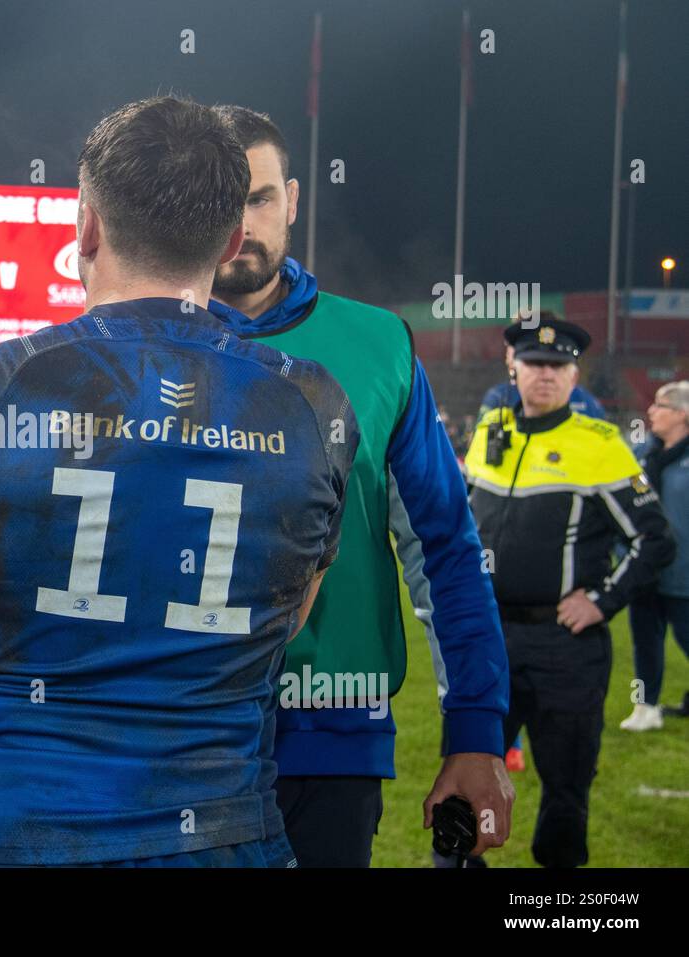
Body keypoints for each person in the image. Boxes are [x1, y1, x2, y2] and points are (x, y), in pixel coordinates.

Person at [0, 96, 359, 868]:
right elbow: (282, 622)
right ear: (228, 241)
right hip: (226, 837)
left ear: (85, 225)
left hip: (23, 837)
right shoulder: (313, 405)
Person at [206, 107, 512, 867]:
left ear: (295, 201)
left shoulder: (377, 345)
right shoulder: (130, 338)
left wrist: (475, 729)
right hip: (168, 733)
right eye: (218, 198)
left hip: (330, 735)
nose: (240, 224)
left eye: (261, 197)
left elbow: (444, 545)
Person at [465, 316, 673, 867]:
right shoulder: (490, 432)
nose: (547, 375)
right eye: (536, 364)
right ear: (514, 367)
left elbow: (654, 541)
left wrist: (601, 601)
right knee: (466, 774)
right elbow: (462, 524)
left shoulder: (601, 443)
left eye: (559, 366)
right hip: (491, 643)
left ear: (575, 373)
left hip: (566, 649)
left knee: (566, 786)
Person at [622, 381, 689, 730]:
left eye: (661, 406)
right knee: (644, 640)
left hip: (685, 570)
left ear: (682, 414)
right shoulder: (643, 454)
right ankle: (645, 707)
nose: (651, 411)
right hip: (646, 568)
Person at [480, 338, 605, 420]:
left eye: (556, 365)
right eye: (536, 363)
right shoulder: (499, 396)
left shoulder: (499, 395)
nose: (547, 375)